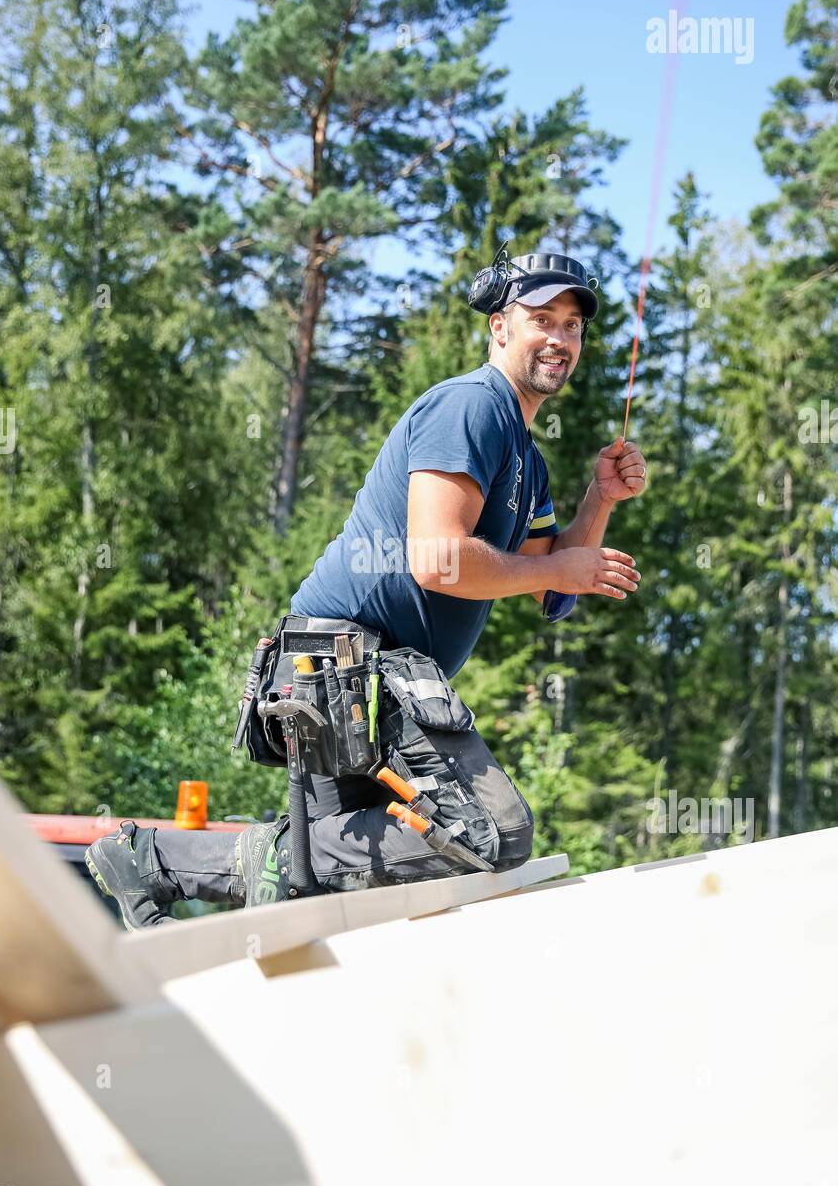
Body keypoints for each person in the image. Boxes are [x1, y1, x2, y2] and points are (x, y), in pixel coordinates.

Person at [86, 250, 647, 930]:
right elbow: (439, 560)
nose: (560, 338)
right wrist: (560, 569)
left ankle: (150, 861)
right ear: (501, 327)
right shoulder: (473, 407)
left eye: (573, 327)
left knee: (321, 889)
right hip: (339, 666)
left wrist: (600, 497)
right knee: (490, 833)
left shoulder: (527, 460)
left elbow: (555, 586)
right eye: (542, 319)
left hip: (360, 675)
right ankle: (250, 853)